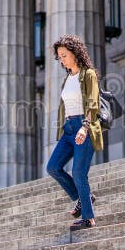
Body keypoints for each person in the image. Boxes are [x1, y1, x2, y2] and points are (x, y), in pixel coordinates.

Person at [45, 34, 103, 231]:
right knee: (53, 167)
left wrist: (85, 127)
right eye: (59, 57)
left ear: (75, 53)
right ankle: (82, 198)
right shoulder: (67, 79)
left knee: (79, 172)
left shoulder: (88, 74)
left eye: (64, 55)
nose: (62, 60)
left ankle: (88, 218)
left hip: (83, 126)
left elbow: (93, 103)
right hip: (68, 129)